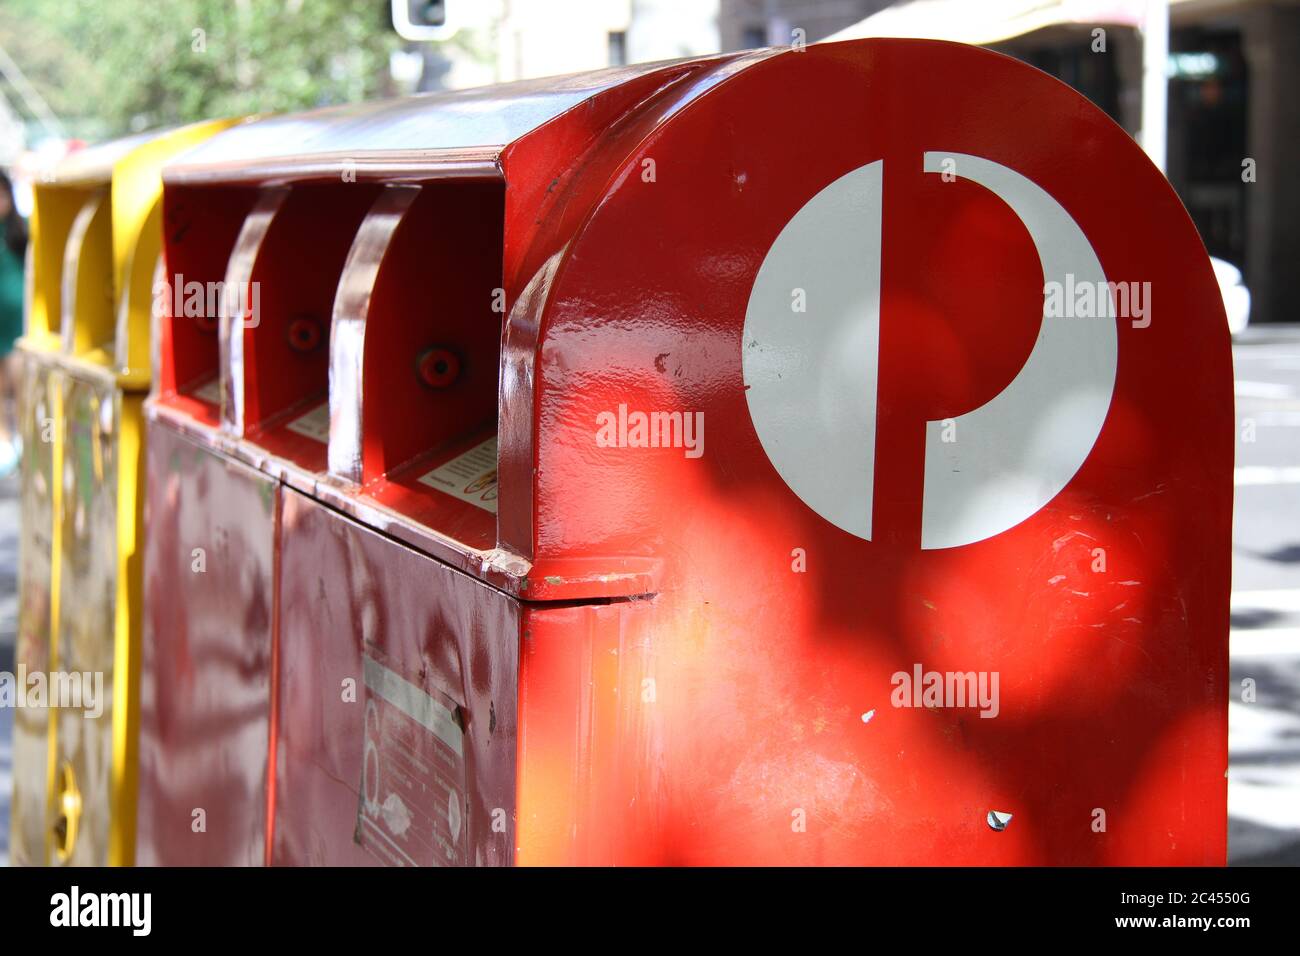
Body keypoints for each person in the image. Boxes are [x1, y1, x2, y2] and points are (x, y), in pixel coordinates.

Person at [0, 171, 26, 478]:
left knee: (21, 386)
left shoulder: (21, 232)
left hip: (19, 324)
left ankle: (23, 438)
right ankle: (5, 442)